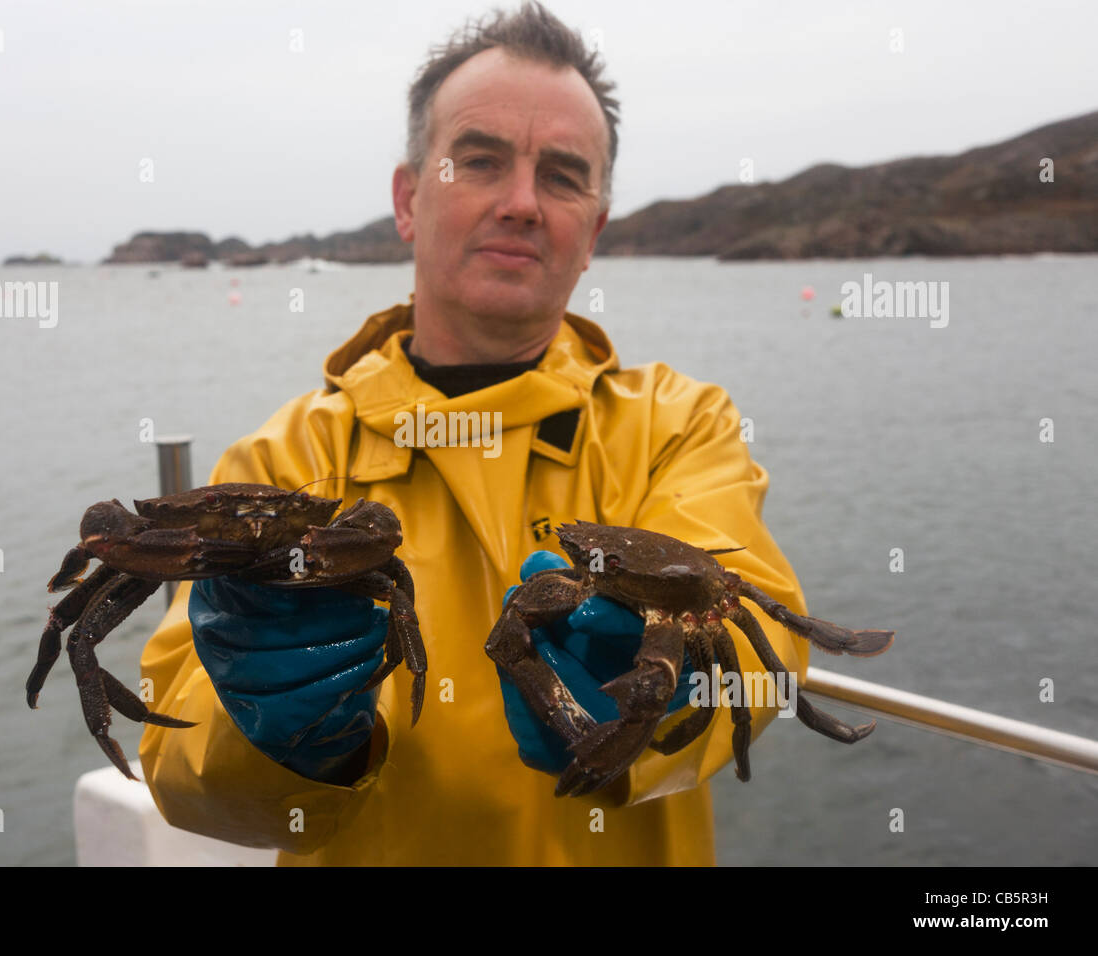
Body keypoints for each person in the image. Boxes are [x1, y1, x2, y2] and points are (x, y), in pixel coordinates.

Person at [138, 1, 812, 865]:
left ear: (594, 231)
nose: (523, 203)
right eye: (480, 161)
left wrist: (672, 691)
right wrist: (266, 736)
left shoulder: (679, 424)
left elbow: (768, 634)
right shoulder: (287, 460)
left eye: (564, 176)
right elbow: (177, 756)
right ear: (408, 198)